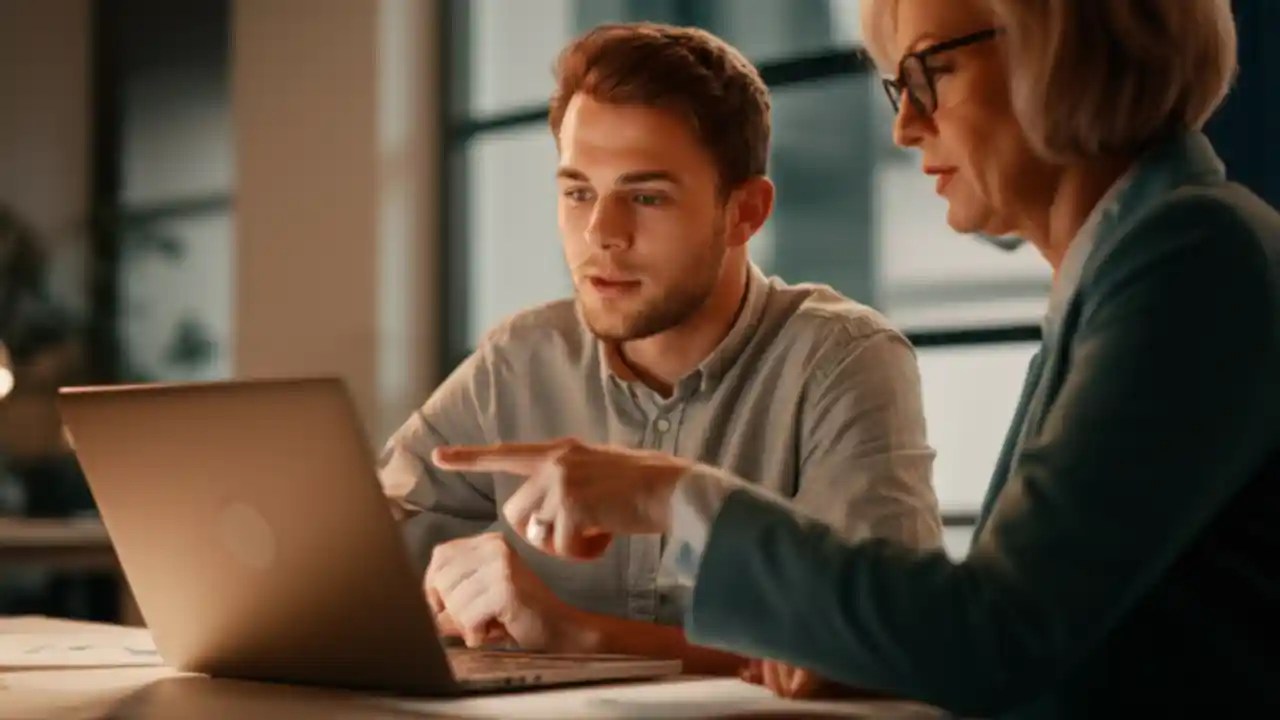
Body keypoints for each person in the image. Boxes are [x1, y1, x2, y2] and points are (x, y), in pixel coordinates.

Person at [433, 0, 1280, 715]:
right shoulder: (1131, 264)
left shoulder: (1189, 253)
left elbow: (997, 640)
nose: (906, 125)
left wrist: (671, 495)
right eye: (897, 87)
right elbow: (1018, 630)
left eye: (928, 74)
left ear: (1060, 46)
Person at [378, 22, 942, 675]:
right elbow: (357, 547)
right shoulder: (521, 357)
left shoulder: (842, 361)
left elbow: (878, 652)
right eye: (578, 192)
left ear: (746, 213)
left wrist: (579, 636)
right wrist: (441, 590)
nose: (602, 233)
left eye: (646, 197)